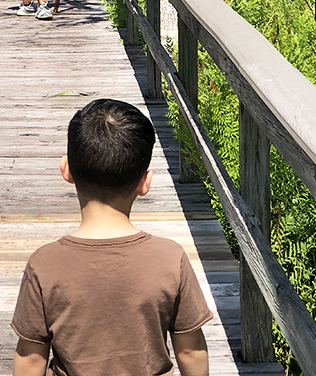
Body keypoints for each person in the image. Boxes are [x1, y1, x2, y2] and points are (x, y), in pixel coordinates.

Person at [11, 98, 212, 376]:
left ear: (66, 170)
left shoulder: (44, 263)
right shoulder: (169, 258)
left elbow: (31, 358)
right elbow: (190, 350)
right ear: (145, 182)